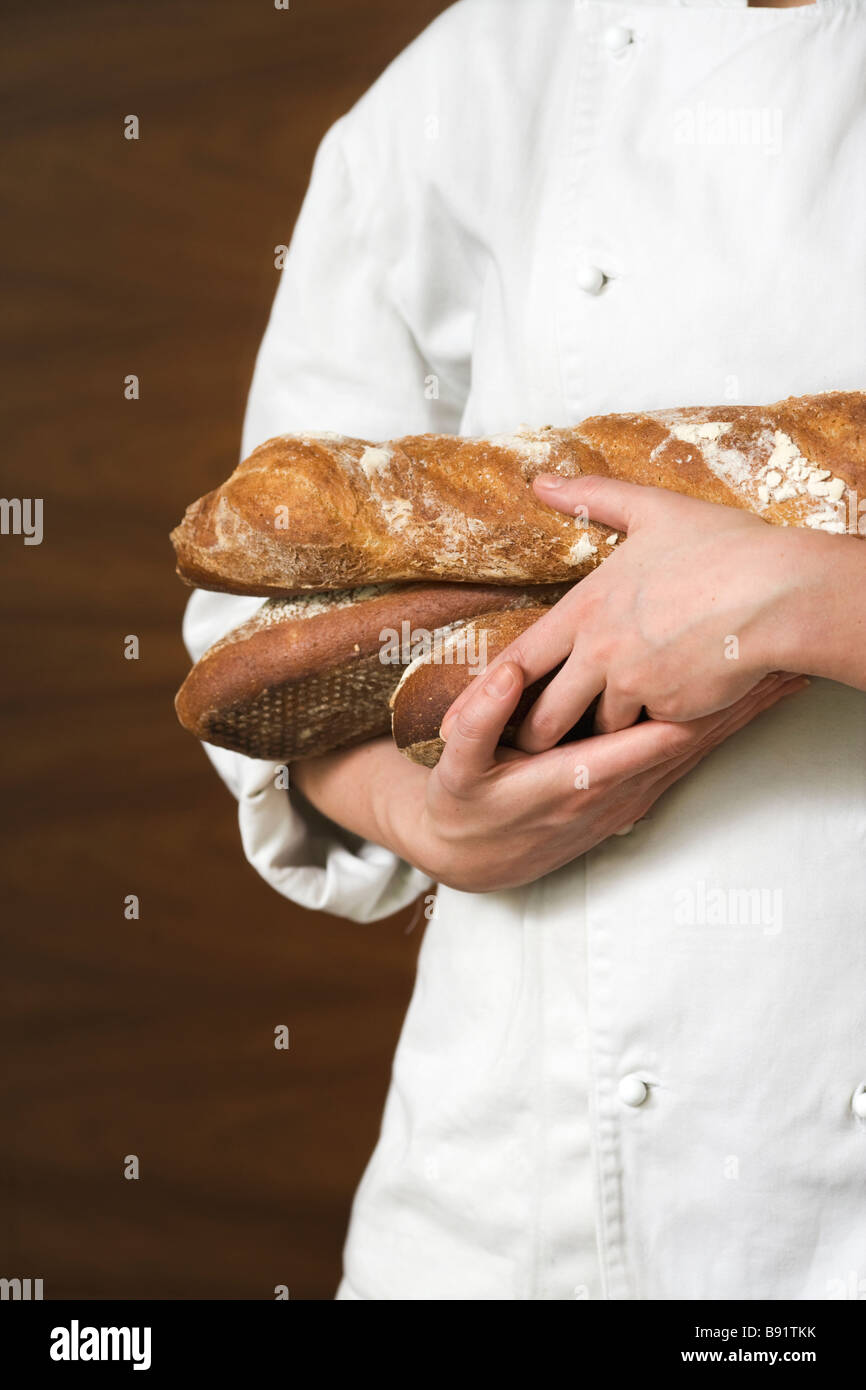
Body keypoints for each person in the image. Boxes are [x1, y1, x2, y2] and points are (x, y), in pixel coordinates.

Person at [184, 0, 866, 1300]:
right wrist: (432, 825)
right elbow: (266, 636)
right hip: (524, 1193)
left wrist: (795, 600)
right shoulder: (483, 73)